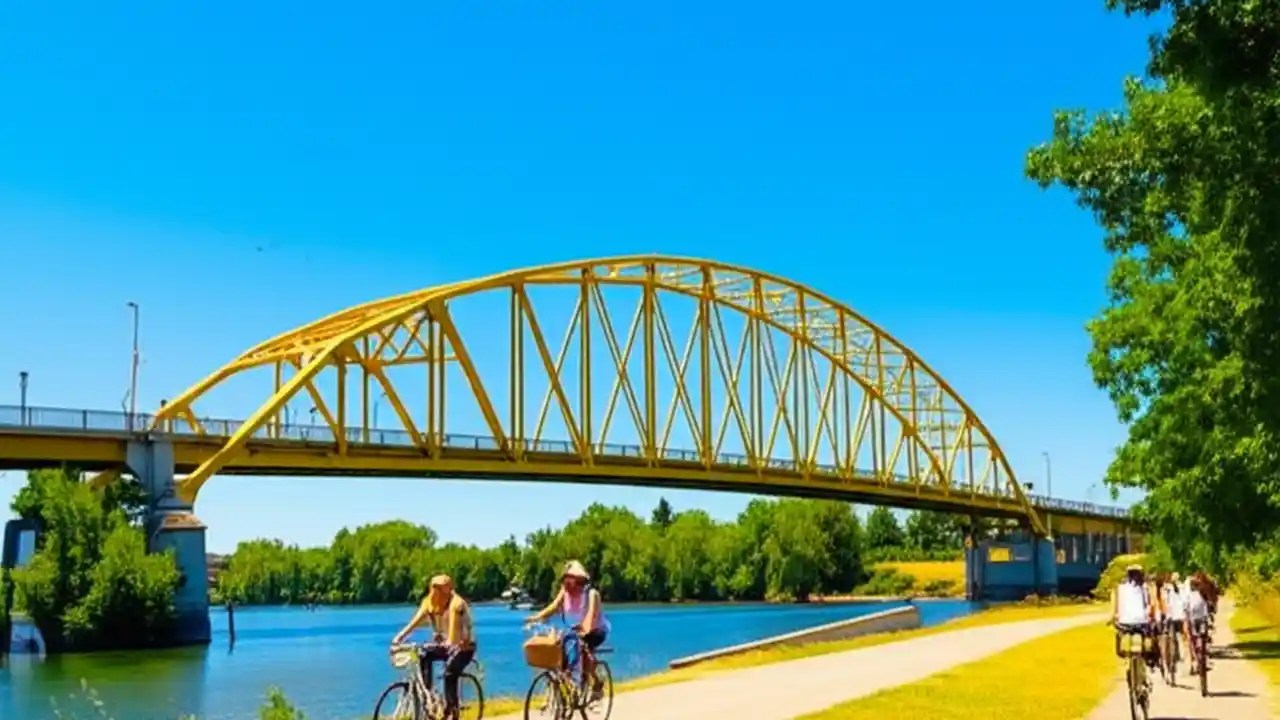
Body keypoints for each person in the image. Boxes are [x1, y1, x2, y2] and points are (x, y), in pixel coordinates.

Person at [392, 575, 477, 717]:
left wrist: (445, 642)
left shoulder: (457, 605)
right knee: (424, 655)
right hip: (447, 644)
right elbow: (415, 622)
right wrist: (399, 637)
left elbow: (453, 635)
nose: (436, 594)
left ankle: (452, 709)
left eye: (439, 590)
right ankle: (428, 695)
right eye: (434, 590)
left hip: (465, 647)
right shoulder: (429, 602)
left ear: (447, 591)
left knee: (450, 673)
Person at [526, 560, 612, 701]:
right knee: (560, 651)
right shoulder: (565, 592)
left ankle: (597, 683)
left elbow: (591, 614)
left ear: (580, 581)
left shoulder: (592, 594)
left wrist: (585, 630)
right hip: (575, 629)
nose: (568, 585)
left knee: (585, 655)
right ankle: (568, 686)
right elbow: (554, 607)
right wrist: (536, 618)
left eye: (572, 581)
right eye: (566, 580)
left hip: (596, 630)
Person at [1111, 563, 1156, 671]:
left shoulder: (1121, 588)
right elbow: (1150, 604)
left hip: (1127, 622)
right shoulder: (1144, 588)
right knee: (1149, 638)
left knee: (1120, 637)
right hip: (1139, 622)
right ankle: (1148, 662)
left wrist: (1114, 617)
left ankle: (1133, 662)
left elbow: (1116, 605)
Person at [1185, 574, 1213, 673]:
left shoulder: (1198, 595)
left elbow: (1187, 608)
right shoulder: (1193, 595)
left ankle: (1201, 658)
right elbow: (1187, 608)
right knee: (1197, 639)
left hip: (1198, 620)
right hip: (1197, 620)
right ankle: (1199, 659)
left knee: (1199, 638)